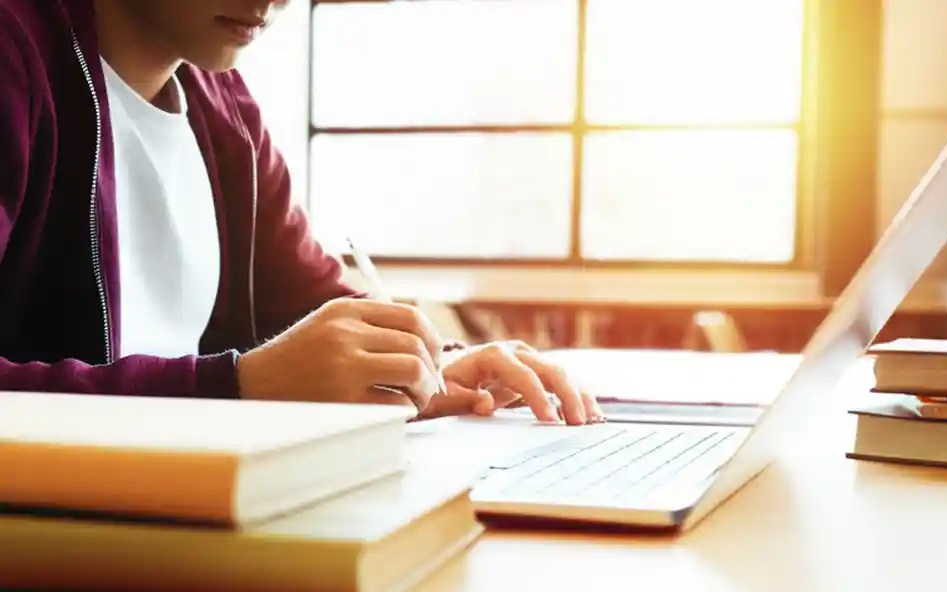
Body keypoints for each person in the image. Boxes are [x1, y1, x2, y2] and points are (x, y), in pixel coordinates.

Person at [0, 0, 602, 425]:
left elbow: (315, 301)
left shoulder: (225, 111)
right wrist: (237, 386)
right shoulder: (16, 54)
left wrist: (429, 364)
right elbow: (258, 378)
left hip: (178, 518)